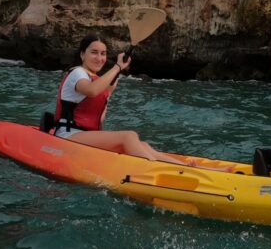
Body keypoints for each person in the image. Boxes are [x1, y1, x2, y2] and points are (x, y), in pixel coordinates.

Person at [53, 34, 200, 166]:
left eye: (103, 54)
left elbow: (97, 117)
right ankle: (155, 168)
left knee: (143, 145)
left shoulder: (98, 81)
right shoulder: (77, 73)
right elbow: (91, 90)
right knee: (128, 136)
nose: (99, 58)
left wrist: (107, 95)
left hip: (84, 136)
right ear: (82, 54)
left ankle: (186, 167)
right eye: (94, 52)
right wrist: (118, 67)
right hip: (68, 136)